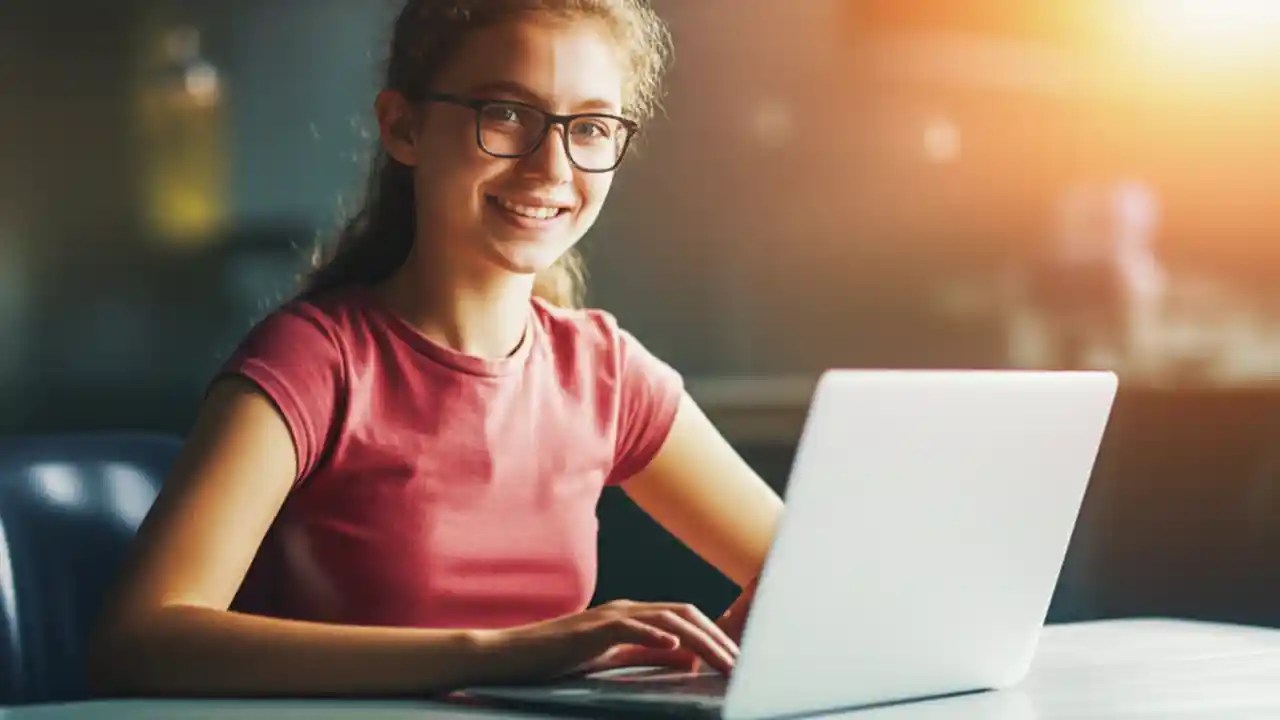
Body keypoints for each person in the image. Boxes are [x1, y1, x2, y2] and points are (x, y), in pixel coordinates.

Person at [88, 0, 783, 698]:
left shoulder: (605, 373)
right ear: (403, 126)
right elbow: (140, 641)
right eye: (507, 114)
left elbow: (815, 568)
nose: (552, 165)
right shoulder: (314, 362)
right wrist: (501, 653)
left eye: (592, 127)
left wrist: (708, 666)